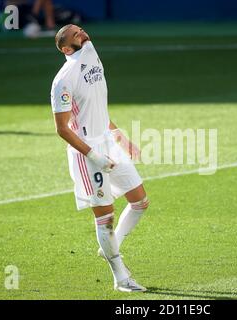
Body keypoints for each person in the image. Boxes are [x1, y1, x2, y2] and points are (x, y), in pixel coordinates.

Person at [50, 24, 149, 292]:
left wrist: (121, 138)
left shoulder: (92, 54)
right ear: (66, 49)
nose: (82, 33)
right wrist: (94, 156)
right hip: (87, 152)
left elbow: (97, 109)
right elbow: (61, 129)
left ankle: (109, 247)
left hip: (108, 141)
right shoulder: (63, 80)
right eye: (76, 35)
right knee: (105, 215)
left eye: (80, 29)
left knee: (140, 201)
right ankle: (121, 278)